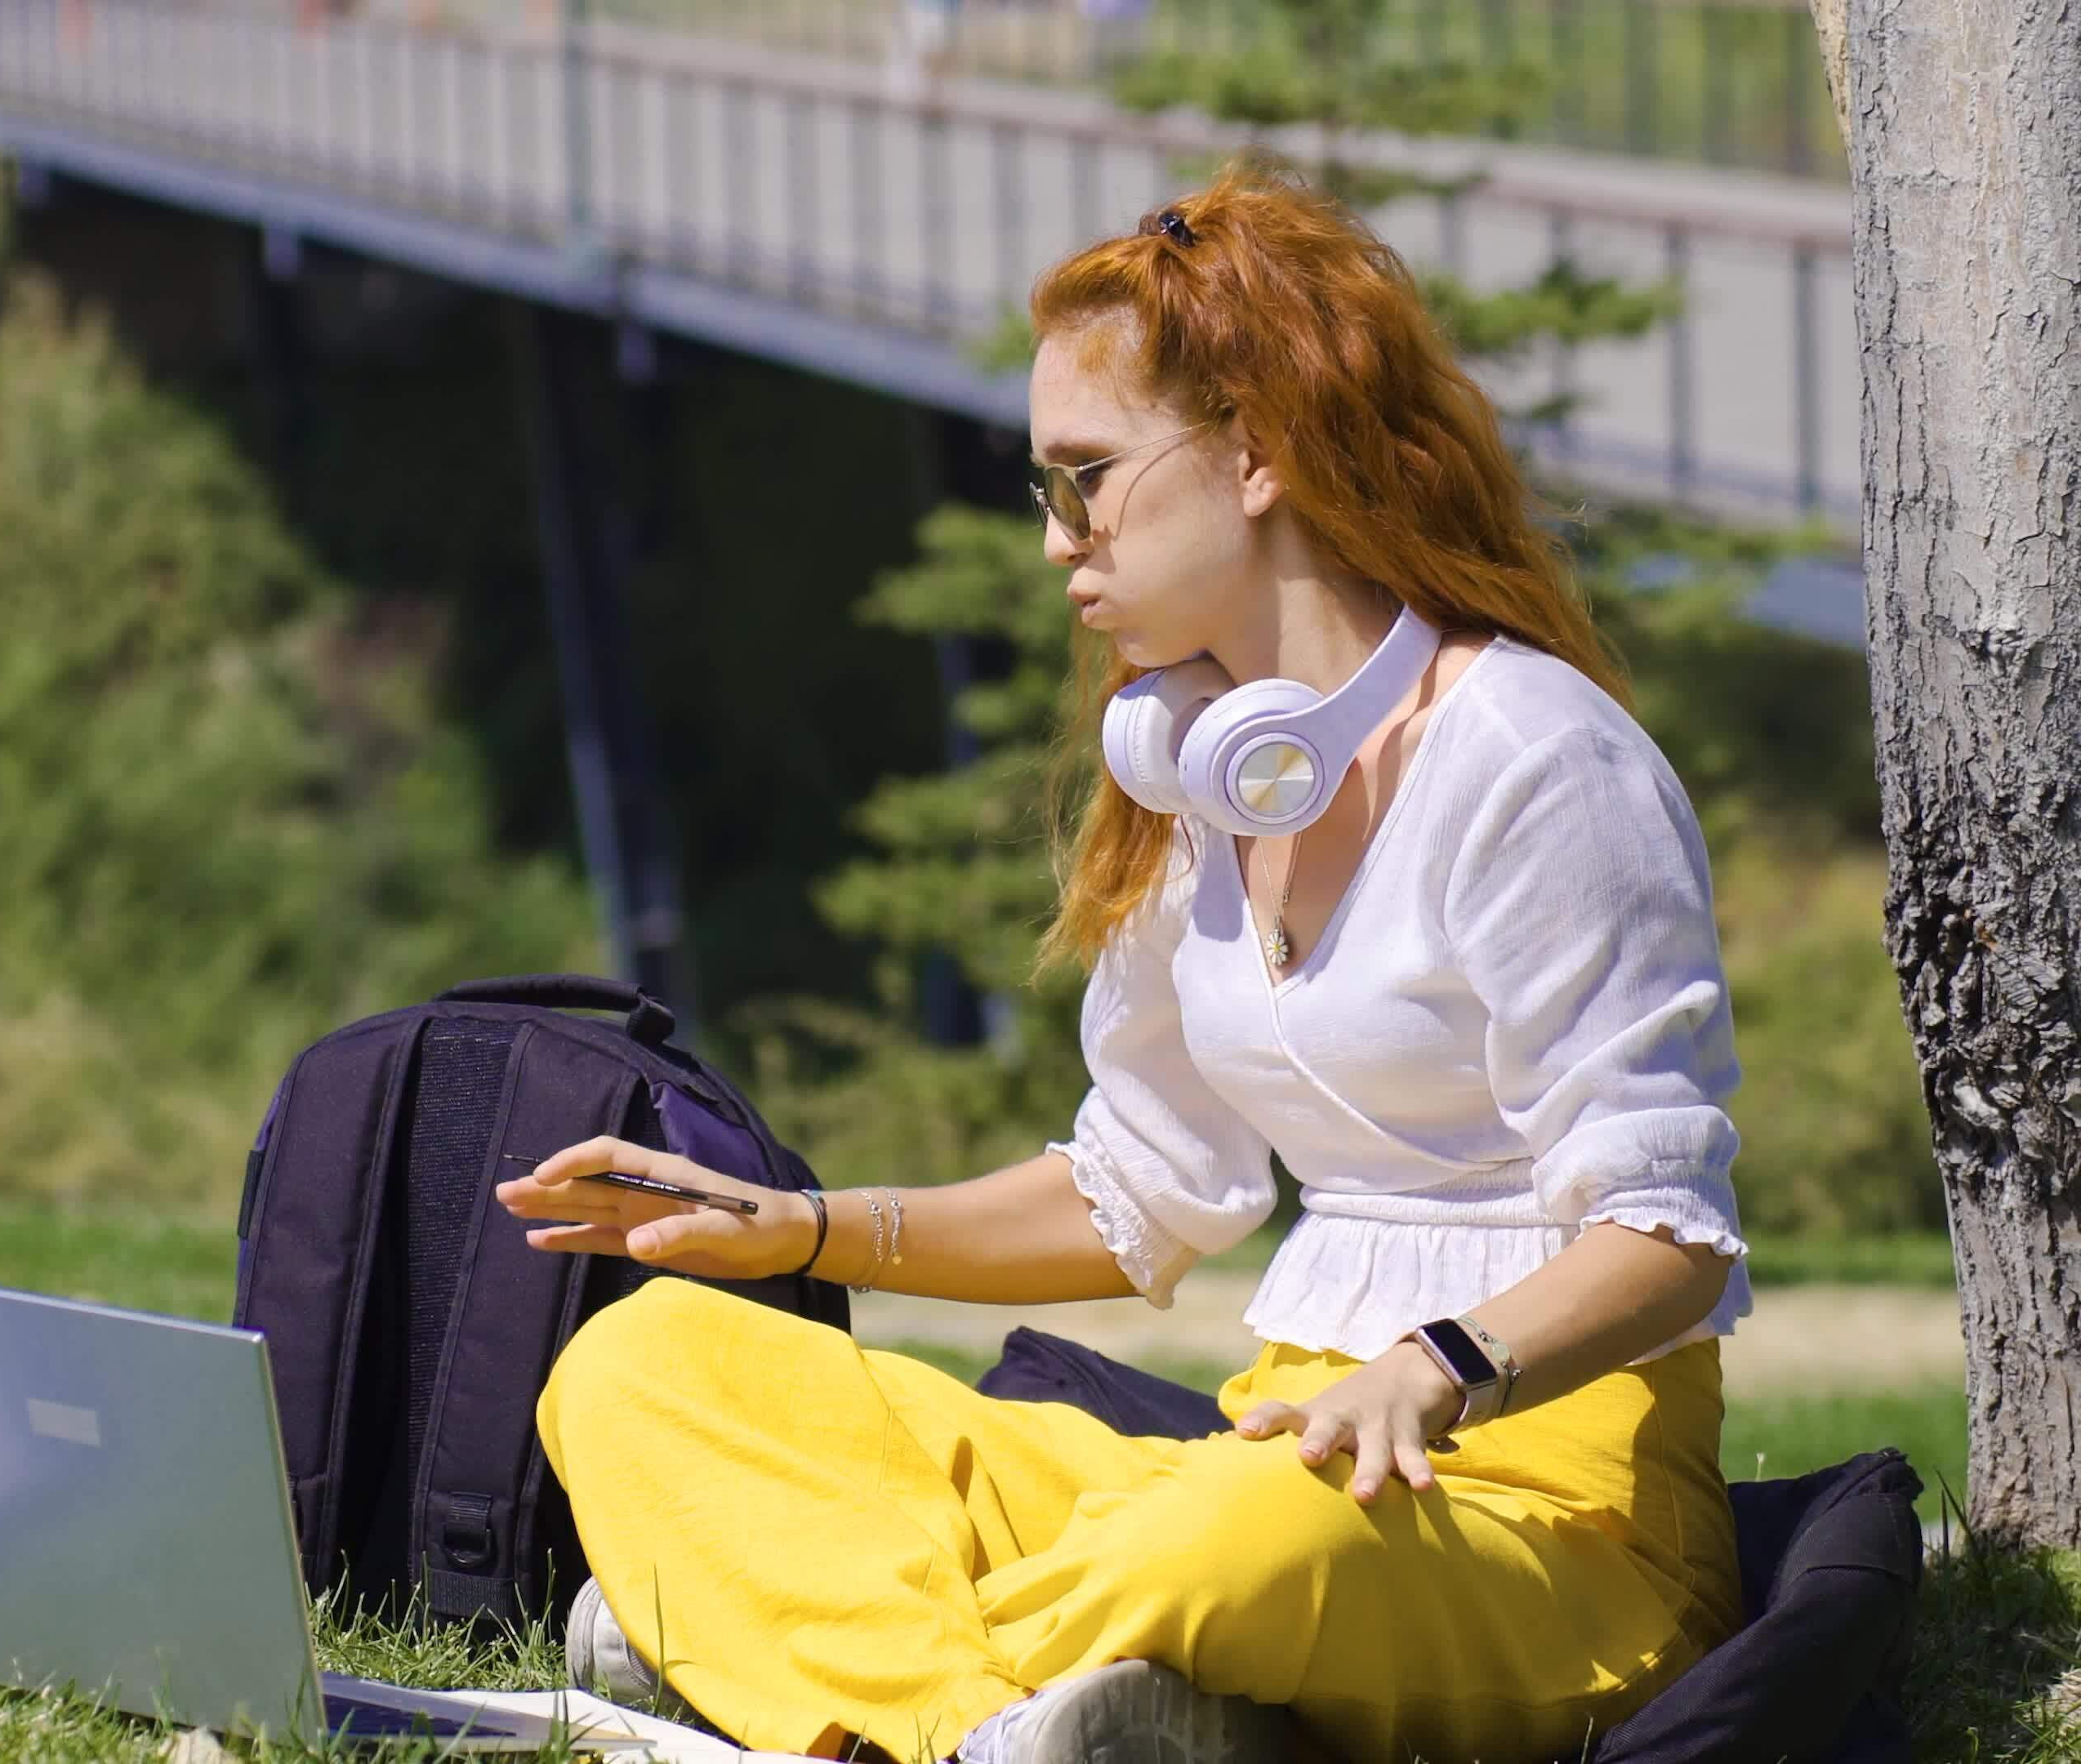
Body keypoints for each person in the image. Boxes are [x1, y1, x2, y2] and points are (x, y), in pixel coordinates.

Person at [493, 160, 1751, 1764]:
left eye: (1084, 480)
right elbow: (1139, 1190)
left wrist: (1438, 1369)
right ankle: (999, 1718)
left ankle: (793, 1641)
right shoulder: (1198, 770)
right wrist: (801, 1230)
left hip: (1553, 1516)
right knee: (645, 1365)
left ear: (1258, 454)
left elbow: (1669, 1235)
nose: (1054, 542)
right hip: (1272, 1451)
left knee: (1224, 1543)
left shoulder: (1537, 761)